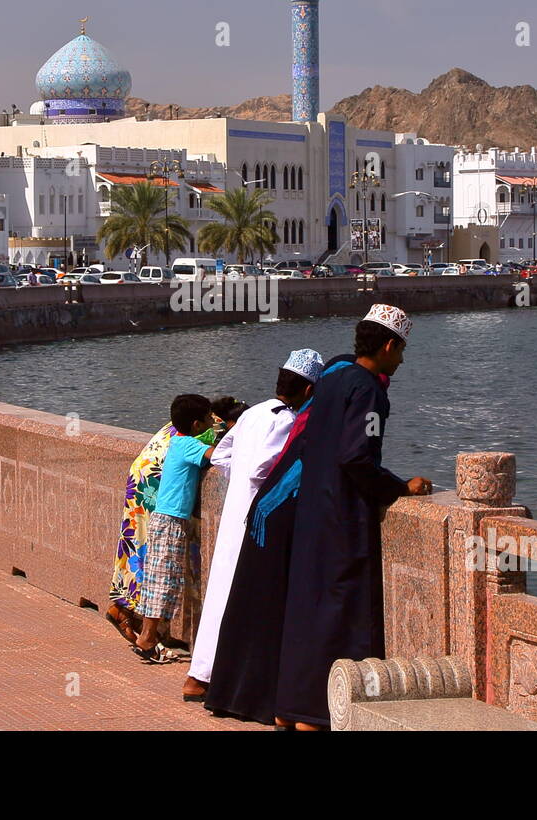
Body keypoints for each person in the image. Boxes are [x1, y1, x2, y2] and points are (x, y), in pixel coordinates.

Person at [273, 304, 431, 730]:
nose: (401, 360)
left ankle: (289, 707)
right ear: (387, 345)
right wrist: (400, 487)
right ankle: (316, 714)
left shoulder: (331, 377)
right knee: (340, 612)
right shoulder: (369, 391)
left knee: (307, 607)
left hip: (311, 510)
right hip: (342, 514)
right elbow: (357, 456)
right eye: (400, 351)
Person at [183, 349, 322, 703]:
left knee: (220, 591)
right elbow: (264, 467)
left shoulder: (253, 412)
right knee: (239, 594)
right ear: (308, 391)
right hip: (256, 518)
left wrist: (239, 481)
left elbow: (222, 455)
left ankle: (200, 673)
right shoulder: (287, 421)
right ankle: (222, 675)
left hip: (234, 512)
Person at [106, 408, 218, 644]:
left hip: (143, 477)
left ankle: (123, 608)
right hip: (155, 486)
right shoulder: (212, 424)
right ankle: (134, 617)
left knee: (138, 545)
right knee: (154, 558)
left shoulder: (180, 421)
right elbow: (217, 454)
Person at [132, 394, 216, 664]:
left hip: (164, 519)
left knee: (158, 578)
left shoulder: (177, 442)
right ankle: (147, 638)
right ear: (195, 425)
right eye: (208, 420)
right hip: (171, 521)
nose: (211, 424)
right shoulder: (188, 444)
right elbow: (215, 456)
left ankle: (149, 637)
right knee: (163, 581)